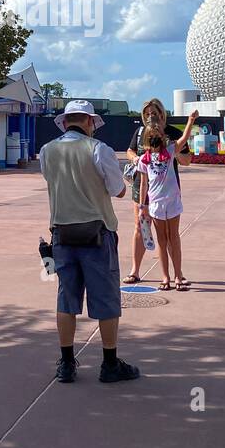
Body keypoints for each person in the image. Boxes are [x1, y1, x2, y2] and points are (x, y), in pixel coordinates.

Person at [39, 99, 140, 384]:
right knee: (106, 300)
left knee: (66, 299)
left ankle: (67, 363)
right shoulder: (99, 149)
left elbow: (50, 180)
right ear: (89, 121)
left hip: (61, 233)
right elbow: (118, 190)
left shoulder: (48, 151)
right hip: (97, 233)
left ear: (66, 121)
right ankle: (109, 364)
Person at [122, 98, 196, 284]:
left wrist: (171, 149)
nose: (150, 117)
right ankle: (136, 271)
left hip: (167, 192)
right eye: (146, 114)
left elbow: (186, 160)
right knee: (141, 228)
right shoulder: (140, 133)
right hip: (143, 189)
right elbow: (129, 152)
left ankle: (177, 273)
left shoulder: (172, 136)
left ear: (162, 113)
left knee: (171, 235)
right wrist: (137, 159)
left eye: (153, 113)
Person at [136, 126, 189, 291]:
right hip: (156, 204)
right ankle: (165, 276)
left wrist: (191, 120)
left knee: (174, 238)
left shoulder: (170, 152)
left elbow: (184, 138)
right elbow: (144, 183)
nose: (154, 136)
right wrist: (142, 206)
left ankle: (178, 276)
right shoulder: (144, 159)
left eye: (157, 133)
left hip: (172, 201)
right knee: (162, 240)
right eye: (151, 134)